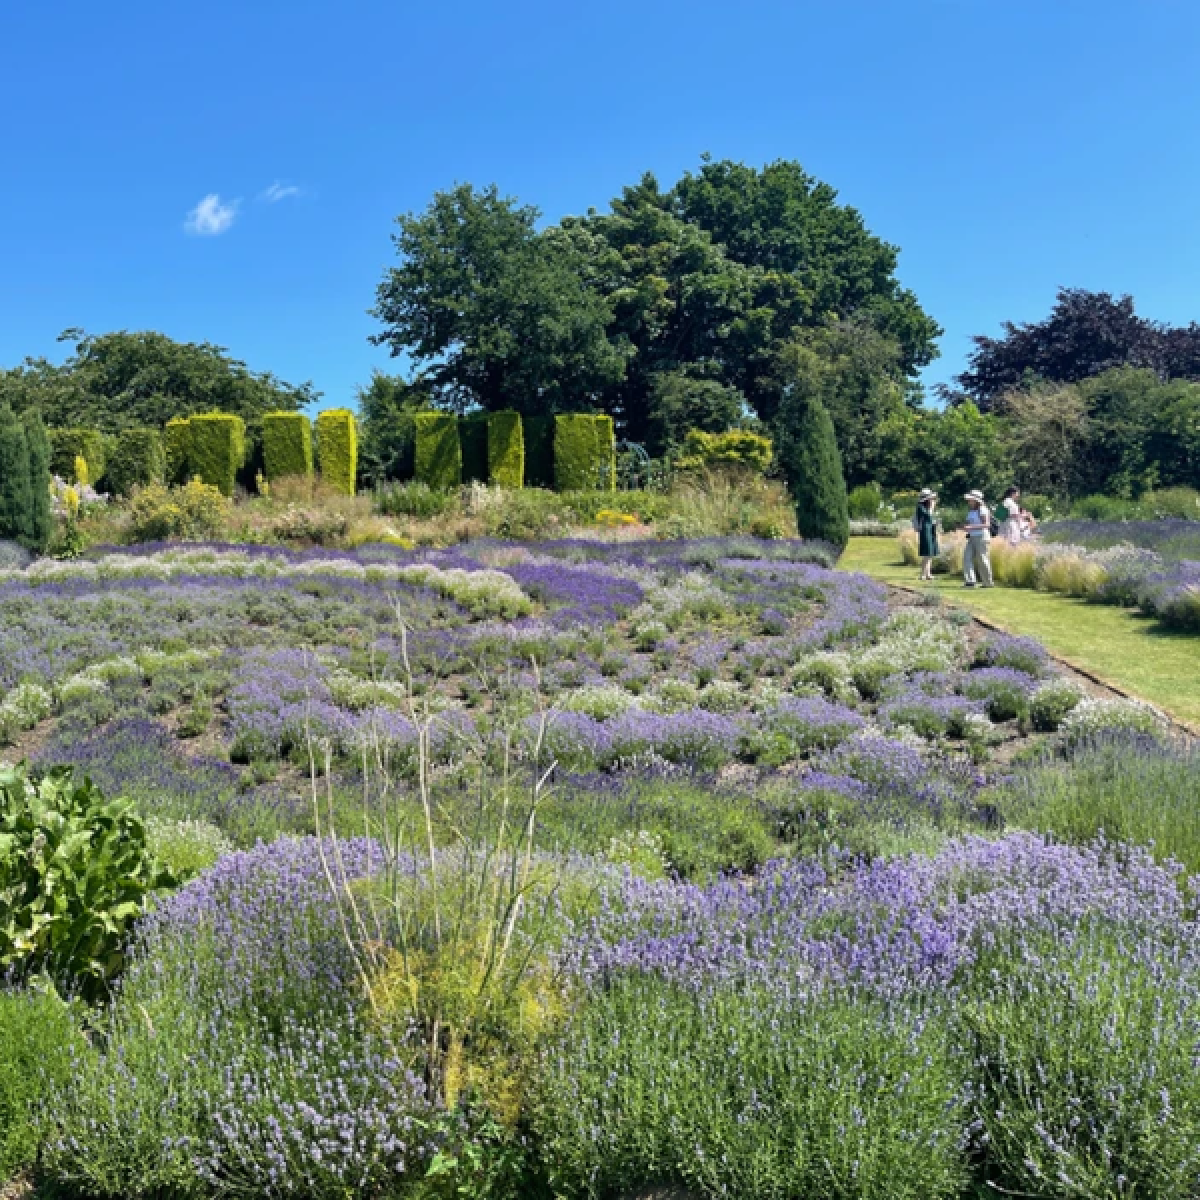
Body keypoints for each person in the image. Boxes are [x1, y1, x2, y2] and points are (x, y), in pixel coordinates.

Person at [962, 490, 994, 588]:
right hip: (972, 537)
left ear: (976, 500)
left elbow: (986, 524)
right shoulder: (971, 510)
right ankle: (970, 581)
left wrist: (971, 527)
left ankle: (987, 582)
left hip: (981, 536)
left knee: (982, 559)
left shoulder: (983, 509)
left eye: (970, 500)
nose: (969, 501)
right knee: (967, 557)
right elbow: (969, 522)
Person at [913, 488, 939, 581]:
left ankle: (928, 573)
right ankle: (922, 574)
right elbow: (927, 516)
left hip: (931, 529)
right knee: (927, 552)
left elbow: (931, 518)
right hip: (925, 530)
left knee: (931, 552)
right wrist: (932, 507)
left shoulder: (927, 506)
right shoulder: (921, 506)